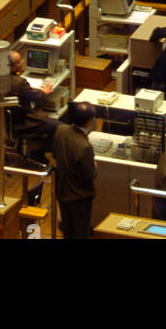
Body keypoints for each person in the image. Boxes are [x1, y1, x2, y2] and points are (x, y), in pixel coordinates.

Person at [52, 102, 96, 240]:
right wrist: (95, 166)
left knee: (68, 231)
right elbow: (89, 175)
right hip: (79, 197)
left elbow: (54, 155)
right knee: (80, 233)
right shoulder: (84, 147)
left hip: (62, 190)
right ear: (89, 122)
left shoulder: (61, 130)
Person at [7, 50, 57, 157]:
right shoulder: (20, 82)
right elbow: (36, 97)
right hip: (24, 123)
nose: (22, 62)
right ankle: (39, 152)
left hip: (7, 122)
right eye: (19, 61)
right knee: (59, 127)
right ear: (11, 67)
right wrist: (44, 92)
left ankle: (28, 146)